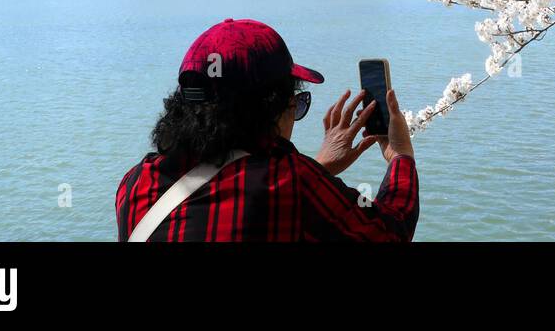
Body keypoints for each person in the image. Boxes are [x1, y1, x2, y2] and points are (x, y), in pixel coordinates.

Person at [116, 18, 418, 241]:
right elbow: (391, 232)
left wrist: (318, 169)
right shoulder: (292, 183)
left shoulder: (135, 185)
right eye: (296, 104)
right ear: (270, 109)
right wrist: (400, 156)